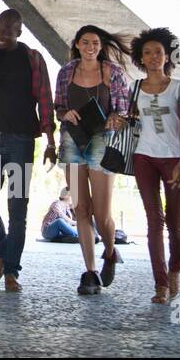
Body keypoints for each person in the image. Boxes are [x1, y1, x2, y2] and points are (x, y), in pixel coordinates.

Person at [0, 8, 57, 291]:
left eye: (9, 30)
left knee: (17, 209)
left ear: (20, 31)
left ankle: (11, 272)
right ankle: (4, 252)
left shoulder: (33, 59)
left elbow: (45, 100)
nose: (3, 34)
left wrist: (51, 141)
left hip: (21, 142)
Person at [55, 25, 131, 295]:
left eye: (95, 43)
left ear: (100, 46)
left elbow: (125, 110)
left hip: (102, 141)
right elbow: (58, 106)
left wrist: (115, 117)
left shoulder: (113, 73)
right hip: (73, 140)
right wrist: (65, 113)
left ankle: (110, 252)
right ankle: (90, 272)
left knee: (102, 213)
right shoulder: (66, 72)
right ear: (77, 44)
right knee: (82, 209)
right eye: (85, 42)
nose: (90, 47)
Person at [129, 26, 180, 304]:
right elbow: (129, 120)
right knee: (154, 220)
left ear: (167, 56)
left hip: (175, 157)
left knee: (175, 221)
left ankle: (175, 269)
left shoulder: (179, 87)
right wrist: (118, 119)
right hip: (144, 157)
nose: (153, 57)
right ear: (141, 57)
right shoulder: (134, 88)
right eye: (147, 53)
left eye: (158, 52)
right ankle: (160, 284)